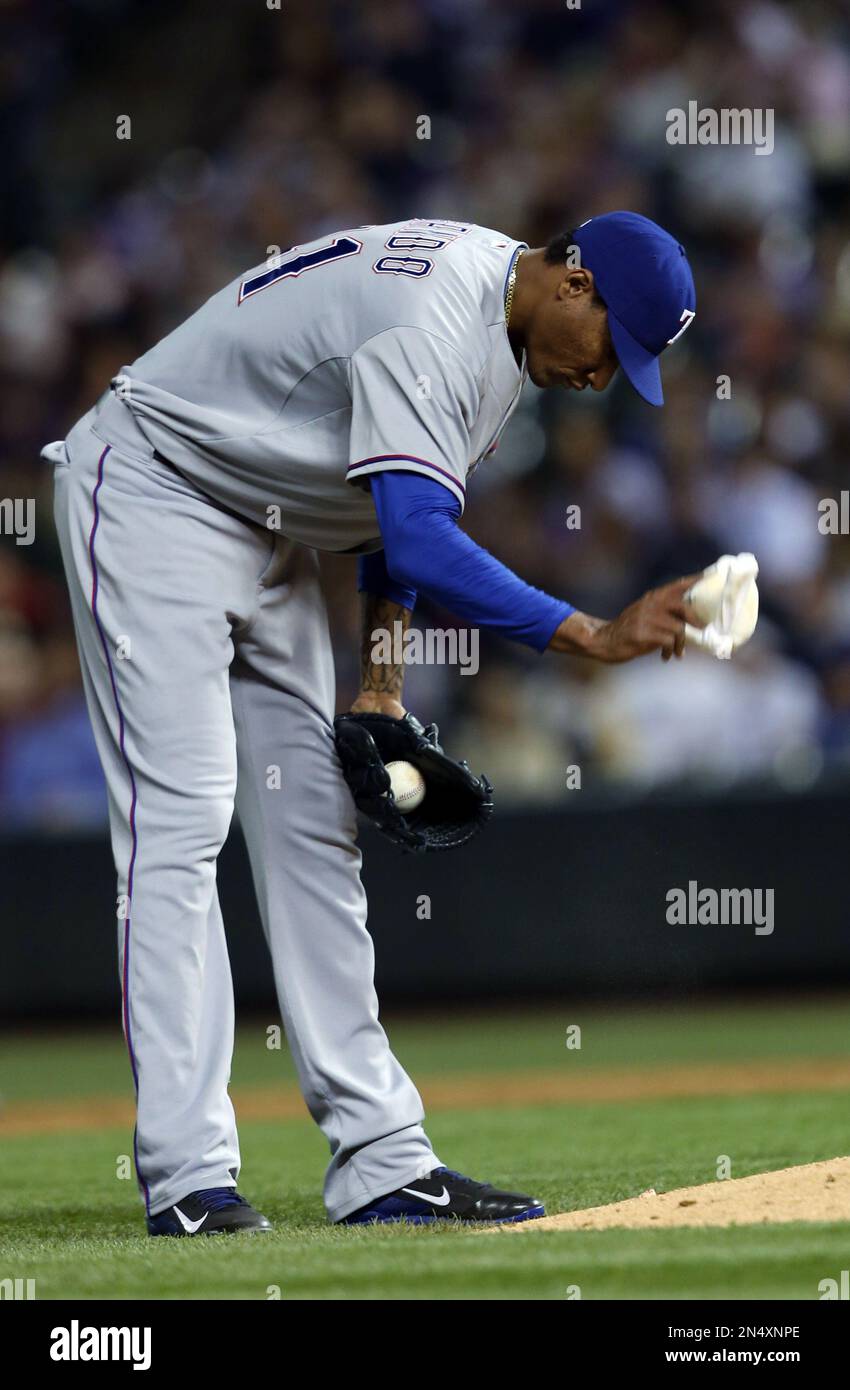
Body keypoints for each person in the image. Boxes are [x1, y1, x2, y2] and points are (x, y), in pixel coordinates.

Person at [44, 211, 698, 1234]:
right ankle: (185, 1173)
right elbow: (424, 542)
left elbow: (387, 523)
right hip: (151, 495)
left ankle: (383, 1162)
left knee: (316, 828)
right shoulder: (433, 315)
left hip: (274, 526)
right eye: (615, 349)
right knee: (183, 823)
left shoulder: (499, 329)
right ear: (575, 285)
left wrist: (380, 680)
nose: (607, 377)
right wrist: (590, 634)